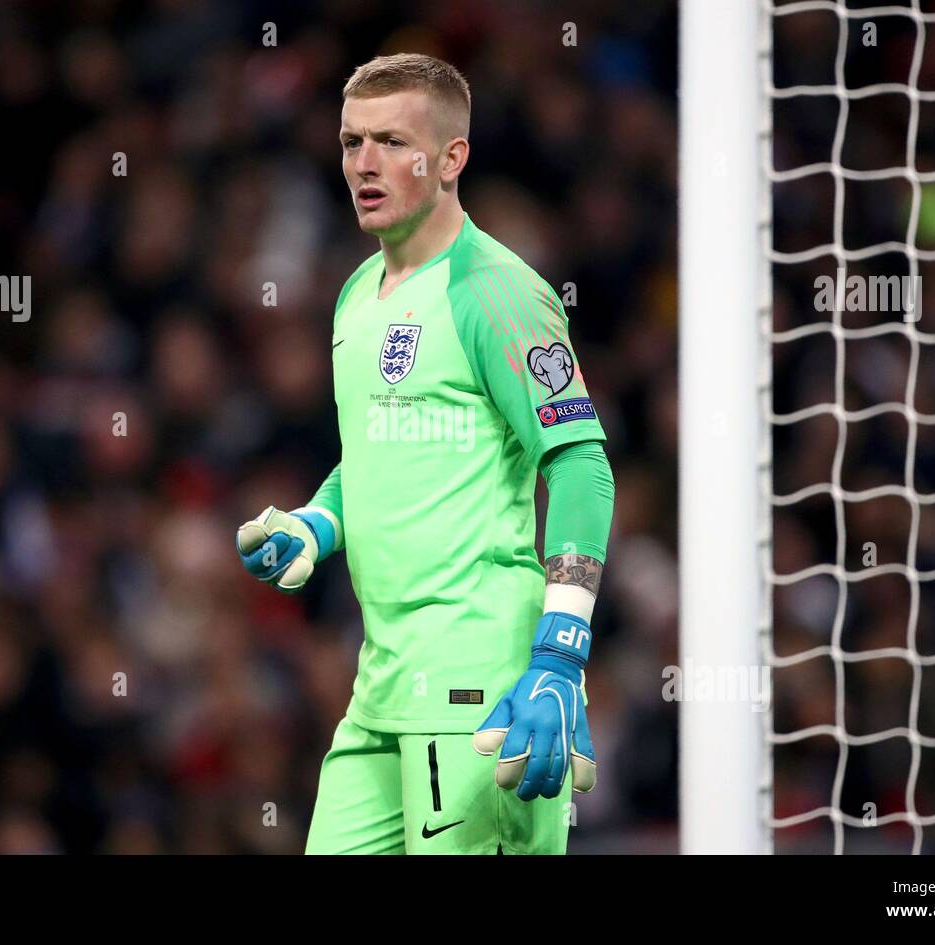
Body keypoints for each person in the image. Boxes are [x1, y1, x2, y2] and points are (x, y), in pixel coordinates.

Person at [236, 53, 615, 854]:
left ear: (451, 158)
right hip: (379, 690)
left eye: (391, 142)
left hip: (479, 695)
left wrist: (559, 656)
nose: (363, 165)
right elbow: (375, 455)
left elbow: (580, 462)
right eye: (351, 141)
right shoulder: (353, 294)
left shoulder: (496, 292)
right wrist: (316, 524)